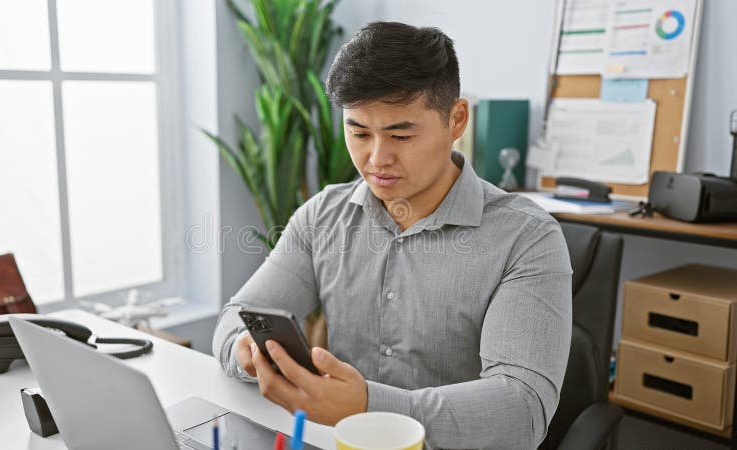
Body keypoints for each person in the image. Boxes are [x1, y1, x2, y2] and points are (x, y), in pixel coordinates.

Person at [212, 21, 572, 449]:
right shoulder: (323, 216)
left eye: (401, 134)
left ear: (456, 119)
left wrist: (366, 405)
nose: (377, 158)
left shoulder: (527, 239)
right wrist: (248, 354)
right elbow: (234, 322)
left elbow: (522, 411)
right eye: (358, 132)